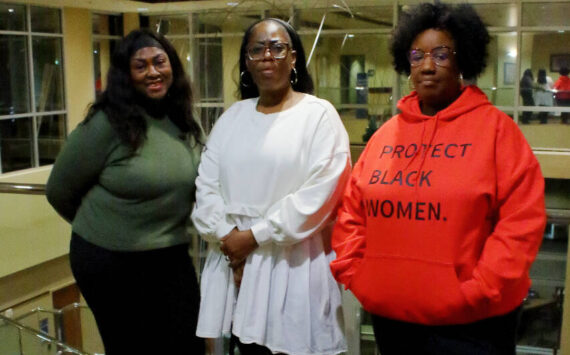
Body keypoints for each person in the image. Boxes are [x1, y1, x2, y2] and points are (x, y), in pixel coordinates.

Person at [330, 3, 546, 355]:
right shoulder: (385, 136)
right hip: (393, 322)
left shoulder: (498, 133)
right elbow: (352, 215)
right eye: (417, 55)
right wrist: (360, 278)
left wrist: (473, 292)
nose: (427, 66)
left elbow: (520, 227)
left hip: (473, 326)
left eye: (441, 54)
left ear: (464, 60)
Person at [191, 18, 350, 355]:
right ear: (246, 62)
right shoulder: (232, 117)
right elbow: (206, 187)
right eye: (257, 49)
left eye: (277, 47)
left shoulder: (319, 116)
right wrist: (228, 238)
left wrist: (253, 237)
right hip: (233, 265)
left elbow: (320, 195)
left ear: (293, 58)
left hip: (291, 267)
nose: (267, 55)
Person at [46, 29, 204, 355]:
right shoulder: (106, 124)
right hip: (109, 262)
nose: (153, 72)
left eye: (159, 62)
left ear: (172, 65)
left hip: (171, 253)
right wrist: (108, 228)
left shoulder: (183, 119)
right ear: (126, 75)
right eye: (140, 66)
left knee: (188, 343)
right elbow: (59, 190)